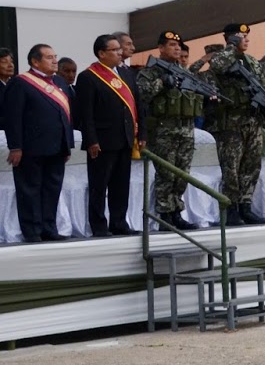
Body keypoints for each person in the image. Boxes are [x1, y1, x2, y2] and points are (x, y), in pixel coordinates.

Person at [1, 43, 74, 243]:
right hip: (30, 148)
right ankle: (32, 231)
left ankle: (49, 228)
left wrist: (67, 144)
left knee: (52, 189)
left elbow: (65, 115)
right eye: (49, 57)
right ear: (35, 61)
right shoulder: (21, 82)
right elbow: (12, 118)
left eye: (55, 56)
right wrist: (16, 146)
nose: (54, 60)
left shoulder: (59, 81)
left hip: (57, 146)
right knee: (30, 189)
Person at [136, 31, 204, 230]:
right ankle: (165, 214)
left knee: (182, 173)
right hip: (164, 130)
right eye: (172, 45)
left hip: (186, 129)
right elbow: (143, 94)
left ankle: (177, 212)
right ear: (161, 48)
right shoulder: (151, 71)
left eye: (178, 46)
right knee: (166, 173)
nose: (177, 49)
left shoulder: (184, 71)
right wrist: (162, 82)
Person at [75, 34, 139, 237]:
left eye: (120, 49)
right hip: (102, 140)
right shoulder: (89, 76)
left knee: (121, 184)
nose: (120, 53)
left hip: (125, 138)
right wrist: (91, 139)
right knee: (99, 186)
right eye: (115, 50)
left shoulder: (126, 74)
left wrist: (141, 133)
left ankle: (119, 222)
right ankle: (99, 225)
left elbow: (138, 106)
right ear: (102, 53)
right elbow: (86, 113)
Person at [207, 24, 265, 225]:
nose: (246, 39)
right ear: (230, 38)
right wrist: (230, 48)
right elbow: (217, 66)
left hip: (252, 120)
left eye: (246, 36)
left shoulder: (252, 61)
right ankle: (231, 208)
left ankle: (246, 205)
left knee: (251, 166)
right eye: (240, 36)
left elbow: (264, 87)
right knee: (231, 168)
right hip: (230, 123)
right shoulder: (222, 57)